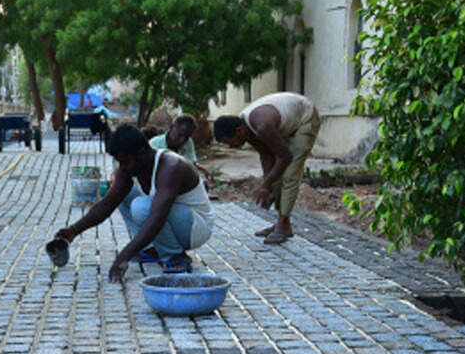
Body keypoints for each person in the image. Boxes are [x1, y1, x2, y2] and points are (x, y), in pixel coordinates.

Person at [55, 124, 214, 282]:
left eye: (124, 161)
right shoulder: (130, 168)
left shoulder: (171, 166)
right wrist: (73, 230)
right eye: (119, 162)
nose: (122, 167)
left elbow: (156, 217)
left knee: (142, 206)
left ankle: (174, 256)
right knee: (124, 195)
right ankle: (152, 250)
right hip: (175, 220)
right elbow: (107, 204)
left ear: (141, 154)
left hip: (196, 228)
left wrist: (123, 257)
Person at [213, 92, 321, 244]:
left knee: (290, 174)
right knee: (275, 175)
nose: (230, 146)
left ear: (238, 131)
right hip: (289, 121)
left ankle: (284, 224)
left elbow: (285, 157)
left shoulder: (262, 125)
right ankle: (281, 223)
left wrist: (265, 185)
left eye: (228, 141)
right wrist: (268, 183)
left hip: (306, 118)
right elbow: (266, 155)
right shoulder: (247, 130)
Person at [148, 114, 214, 183]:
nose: (182, 140)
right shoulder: (154, 144)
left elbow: (190, 164)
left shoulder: (188, 142)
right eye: (180, 135)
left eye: (186, 137)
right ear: (171, 127)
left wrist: (203, 170)